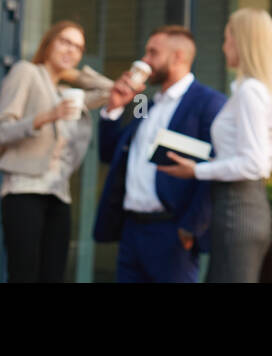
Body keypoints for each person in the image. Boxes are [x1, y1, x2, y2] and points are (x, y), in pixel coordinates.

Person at [160, 8, 272, 283]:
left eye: (227, 38)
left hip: (237, 209)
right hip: (238, 207)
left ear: (242, 42)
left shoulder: (250, 92)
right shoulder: (252, 90)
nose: (223, 46)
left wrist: (197, 170)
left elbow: (253, 163)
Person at [94, 26, 226, 282]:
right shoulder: (148, 106)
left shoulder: (208, 103)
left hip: (172, 233)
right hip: (131, 230)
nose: (145, 60)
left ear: (178, 57)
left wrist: (191, 227)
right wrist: (113, 109)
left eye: (153, 53)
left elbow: (214, 169)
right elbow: (110, 155)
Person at [0, 20, 114, 282]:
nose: (71, 50)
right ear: (48, 43)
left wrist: (75, 74)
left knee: (53, 275)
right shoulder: (26, 72)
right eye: (65, 42)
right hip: (24, 188)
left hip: (59, 193)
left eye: (78, 47)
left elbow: (110, 91)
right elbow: (1, 131)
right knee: (24, 274)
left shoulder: (68, 92)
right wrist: (47, 116)